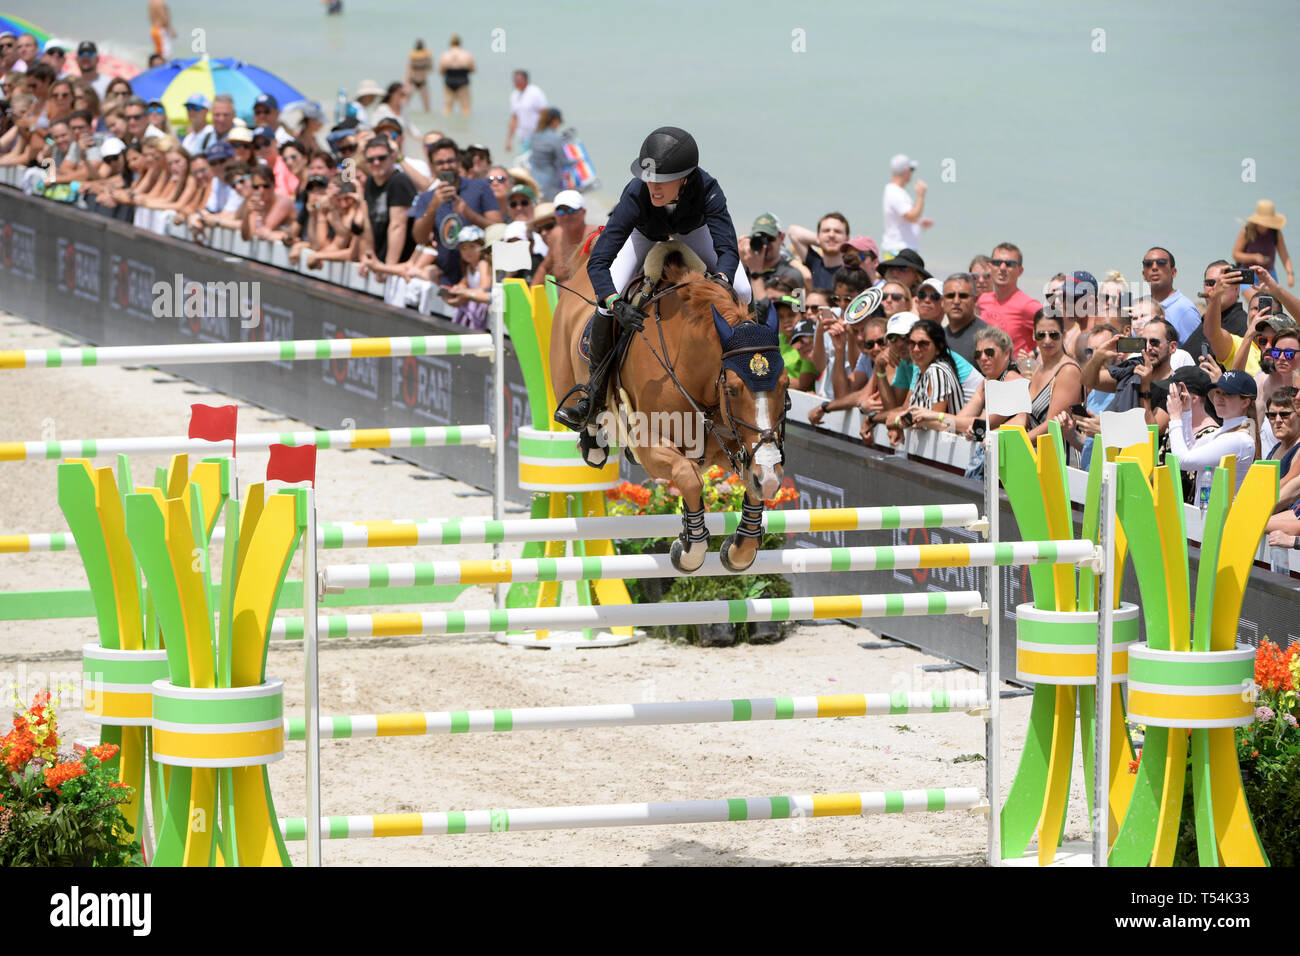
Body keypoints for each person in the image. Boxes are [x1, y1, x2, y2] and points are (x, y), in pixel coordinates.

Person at [555, 127, 745, 430]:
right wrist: (616, 304)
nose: (653, 187)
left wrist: (721, 282)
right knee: (607, 299)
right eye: (650, 179)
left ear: (684, 178)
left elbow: (727, 249)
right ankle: (592, 397)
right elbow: (600, 262)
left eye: (663, 180)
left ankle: (754, 382)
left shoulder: (708, 189)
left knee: (743, 289)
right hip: (644, 234)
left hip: (694, 232)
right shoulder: (635, 193)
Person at [410, 136, 503, 283]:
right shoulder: (426, 198)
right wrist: (433, 206)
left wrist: (469, 214)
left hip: (479, 278)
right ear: (432, 166)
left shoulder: (480, 187)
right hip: (446, 279)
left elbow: (498, 230)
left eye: (450, 161)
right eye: (440, 163)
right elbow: (420, 238)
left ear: (458, 161)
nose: (446, 166)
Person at [1168, 369, 1258, 504]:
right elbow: (1191, 450)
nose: (1219, 398)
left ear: (1245, 402)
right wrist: (1186, 412)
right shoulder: (1224, 432)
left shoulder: (1239, 438)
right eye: (1217, 392)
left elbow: (1183, 461)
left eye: (1227, 394)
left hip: (1222, 522)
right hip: (1210, 519)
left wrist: (1175, 417)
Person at [1024, 311, 1082, 444]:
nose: (1047, 340)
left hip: (1061, 457)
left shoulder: (1068, 370)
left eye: (1054, 335)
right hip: (1036, 453)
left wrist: (1017, 442)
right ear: (1034, 335)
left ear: (1064, 335)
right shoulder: (1038, 368)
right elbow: (1024, 417)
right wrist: (997, 435)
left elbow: (1052, 425)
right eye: (1041, 335)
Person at [978, 242, 1042, 357]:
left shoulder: (1028, 305)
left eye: (1009, 264)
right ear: (989, 267)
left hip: (1016, 373)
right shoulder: (983, 300)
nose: (1002, 268)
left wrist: (1033, 355)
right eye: (997, 263)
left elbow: (1058, 333)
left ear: (1020, 271)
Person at [361, 138, 416, 265]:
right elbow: (368, 224)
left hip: (400, 262)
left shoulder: (399, 182)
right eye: (371, 160)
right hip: (379, 258)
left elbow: (398, 226)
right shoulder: (370, 181)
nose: (376, 163)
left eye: (381, 158)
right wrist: (369, 257)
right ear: (365, 162)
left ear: (392, 157)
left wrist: (388, 267)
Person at [740, 213, 805, 308]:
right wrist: (741, 263)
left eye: (769, 238)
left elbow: (798, 310)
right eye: (759, 239)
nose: (764, 244)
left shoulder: (793, 275)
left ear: (781, 238)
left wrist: (756, 274)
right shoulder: (745, 270)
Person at [1140, 246, 1200, 343]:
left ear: (1174, 272)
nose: (1154, 267)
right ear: (1144, 274)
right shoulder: (1139, 308)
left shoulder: (1185, 309)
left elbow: (1194, 352)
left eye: (1161, 263)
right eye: (1148, 264)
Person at [881, 153, 932, 255]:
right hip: (898, 249)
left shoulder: (895, 191)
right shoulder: (895, 192)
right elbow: (911, 215)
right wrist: (921, 196)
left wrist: (918, 221)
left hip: (901, 248)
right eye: (912, 170)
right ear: (907, 171)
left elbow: (907, 217)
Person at [1233, 199, 1292, 285]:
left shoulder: (1275, 232)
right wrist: (1254, 257)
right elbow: (1236, 254)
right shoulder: (1247, 231)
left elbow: (1284, 255)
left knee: (1271, 298)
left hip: (1269, 273)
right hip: (1248, 273)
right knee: (1256, 298)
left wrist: (1290, 273)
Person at [786, 213, 848, 290]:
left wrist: (841, 244)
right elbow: (793, 232)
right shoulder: (815, 264)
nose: (831, 235)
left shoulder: (852, 272)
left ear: (847, 238)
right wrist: (824, 242)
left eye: (837, 231)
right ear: (818, 237)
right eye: (826, 231)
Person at [939, 272, 990, 364]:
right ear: (942, 301)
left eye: (963, 296)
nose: (956, 301)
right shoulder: (937, 337)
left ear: (974, 300)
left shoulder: (989, 337)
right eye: (950, 296)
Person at [528, 107, 565, 200]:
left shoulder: (534, 136)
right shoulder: (555, 138)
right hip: (549, 181)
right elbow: (563, 162)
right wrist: (579, 160)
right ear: (554, 121)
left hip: (533, 178)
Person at [505, 70, 546, 153]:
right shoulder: (514, 95)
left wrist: (542, 132)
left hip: (536, 135)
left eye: (518, 80)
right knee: (524, 160)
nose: (515, 82)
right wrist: (509, 139)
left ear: (525, 80)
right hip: (523, 136)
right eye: (514, 80)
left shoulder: (535, 92)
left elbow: (544, 113)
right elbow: (514, 118)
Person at [438, 34, 475, 116]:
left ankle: (446, 127)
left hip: (449, 81)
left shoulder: (445, 55)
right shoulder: (466, 54)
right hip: (463, 81)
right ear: (460, 43)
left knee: (447, 110)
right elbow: (473, 70)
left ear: (450, 43)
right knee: (466, 110)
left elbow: (441, 71)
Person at [406, 39, 434, 113]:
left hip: (423, 82)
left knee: (427, 107)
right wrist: (406, 82)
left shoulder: (427, 57)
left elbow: (431, 69)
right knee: (405, 103)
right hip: (413, 82)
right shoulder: (412, 57)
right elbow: (408, 70)